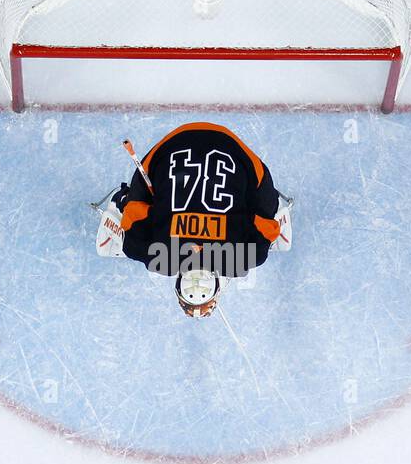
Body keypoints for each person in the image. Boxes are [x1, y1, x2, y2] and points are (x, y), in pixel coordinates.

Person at [99, 122, 289, 318]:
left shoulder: (245, 257)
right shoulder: (150, 254)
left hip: (228, 145)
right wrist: (125, 202)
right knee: (139, 205)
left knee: (264, 208)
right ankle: (120, 199)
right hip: (174, 145)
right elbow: (133, 216)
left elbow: (267, 223)